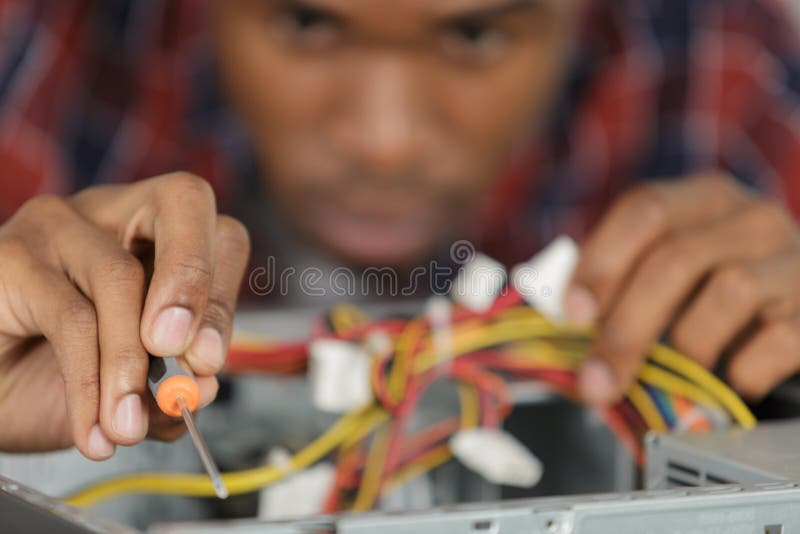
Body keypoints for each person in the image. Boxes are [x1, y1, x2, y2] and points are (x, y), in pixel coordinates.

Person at [1, 0, 799, 461]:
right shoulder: (41, 47)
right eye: (308, 21)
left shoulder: (718, 71)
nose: (385, 140)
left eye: (475, 35)